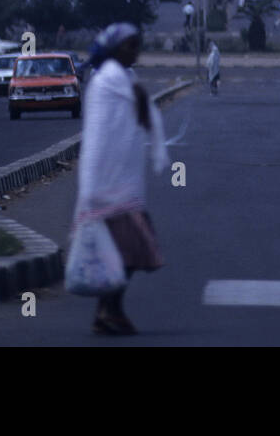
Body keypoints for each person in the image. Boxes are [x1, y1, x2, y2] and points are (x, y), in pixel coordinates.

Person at [74, 23, 168, 336]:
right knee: (131, 250)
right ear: (114, 49)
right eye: (130, 45)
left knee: (122, 253)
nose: (136, 51)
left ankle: (109, 310)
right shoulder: (110, 79)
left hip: (119, 185)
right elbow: (102, 135)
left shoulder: (122, 77)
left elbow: (138, 115)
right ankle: (108, 310)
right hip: (108, 188)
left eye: (137, 45)